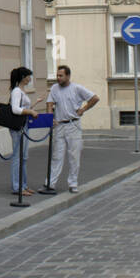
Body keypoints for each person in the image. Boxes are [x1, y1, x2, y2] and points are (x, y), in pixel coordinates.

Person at [40, 63, 99, 194]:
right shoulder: (54, 88)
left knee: (74, 155)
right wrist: (50, 117)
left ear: (68, 76)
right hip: (60, 125)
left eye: (61, 75)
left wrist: (83, 109)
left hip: (73, 124)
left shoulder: (77, 88)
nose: (58, 78)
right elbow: (50, 103)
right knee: (57, 155)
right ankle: (50, 183)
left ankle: (73, 183)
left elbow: (95, 98)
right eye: (57, 75)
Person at [8, 66, 39, 196]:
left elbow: (22, 108)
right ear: (23, 77)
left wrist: (33, 105)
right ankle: (17, 187)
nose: (30, 78)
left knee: (24, 157)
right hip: (18, 127)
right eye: (28, 76)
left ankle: (23, 185)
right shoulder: (16, 91)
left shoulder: (21, 91)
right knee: (18, 156)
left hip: (24, 124)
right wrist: (30, 111)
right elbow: (15, 109)